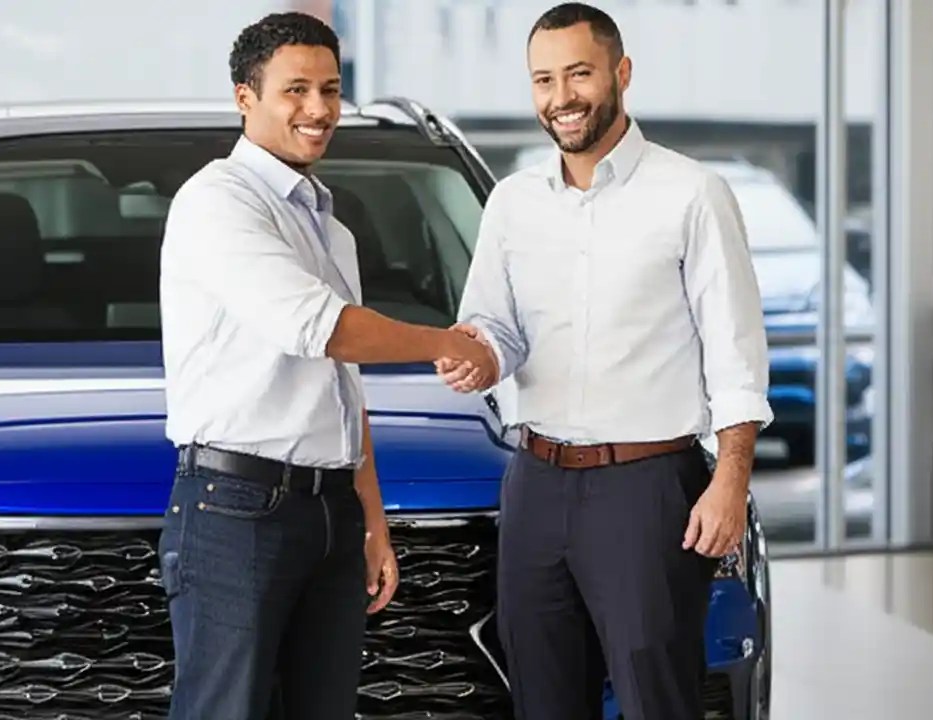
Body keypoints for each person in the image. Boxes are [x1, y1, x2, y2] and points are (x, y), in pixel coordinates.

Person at [158, 11, 498, 720]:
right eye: (296, 90)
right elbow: (324, 330)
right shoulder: (216, 202)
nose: (318, 110)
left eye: (331, 89)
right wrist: (447, 343)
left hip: (329, 512)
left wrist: (372, 521)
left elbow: (342, 391)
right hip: (236, 509)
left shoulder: (330, 227)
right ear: (245, 98)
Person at [438, 3, 773, 719]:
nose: (561, 98)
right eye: (543, 80)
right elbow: (495, 326)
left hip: (648, 489)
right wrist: (480, 358)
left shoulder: (692, 194)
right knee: (543, 696)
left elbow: (736, 352)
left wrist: (731, 482)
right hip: (534, 482)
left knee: (657, 696)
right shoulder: (512, 202)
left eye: (579, 74)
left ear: (621, 73)